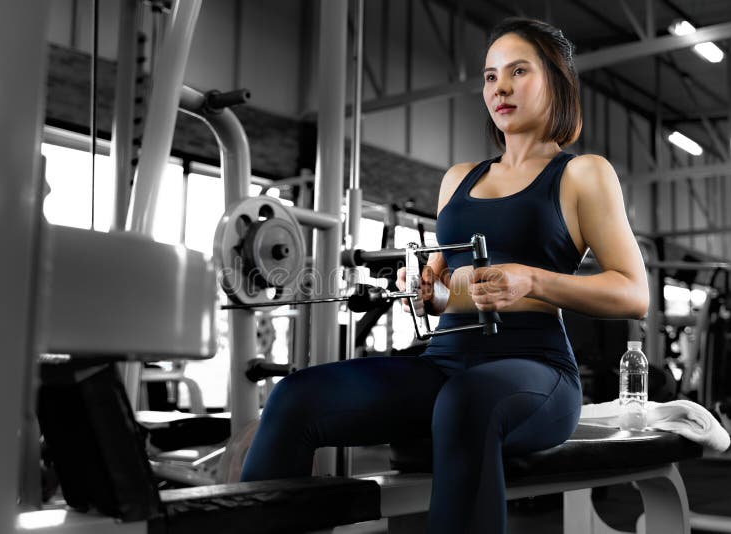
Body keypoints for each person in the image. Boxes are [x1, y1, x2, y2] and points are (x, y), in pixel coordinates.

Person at [240, 17, 648, 533]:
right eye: (489, 76)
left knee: (467, 402)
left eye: (518, 71)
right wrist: (429, 294)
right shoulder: (459, 178)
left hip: (535, 371)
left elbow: (635, 293)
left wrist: (533, 280)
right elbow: (451, 287)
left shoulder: (582, 173)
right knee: (295, 397)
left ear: (556, 81)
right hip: (444, 363)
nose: (500, 87)